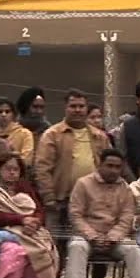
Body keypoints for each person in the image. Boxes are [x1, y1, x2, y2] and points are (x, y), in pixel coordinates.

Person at [59, 148, 140, 278]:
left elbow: (127, 217)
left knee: (133, 249)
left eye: (117, 167)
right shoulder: (83, 184)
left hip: (115, 238)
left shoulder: (125, 189)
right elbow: (75, 215)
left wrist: (113, 237)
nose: (113, 170)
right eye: (109, 165)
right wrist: (93, 236)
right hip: (86, 236)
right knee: (77, 246)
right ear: (100, 165)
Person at [34, 90, 111, 236]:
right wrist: (49, 198)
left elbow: (110, 167)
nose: (77, 110)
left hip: (93, 202)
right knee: (56, 244)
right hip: (60, 201)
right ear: (66, 108)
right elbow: (42, 169)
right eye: (73, 106)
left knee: (84, 244)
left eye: (81, 106)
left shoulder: (99, 136)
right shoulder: (52, 134)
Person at [0, 98, 35, 166]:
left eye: (7, 111)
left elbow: (27, 160)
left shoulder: (25, 134)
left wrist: (11, 155)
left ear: (13, 114)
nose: (3, 114)